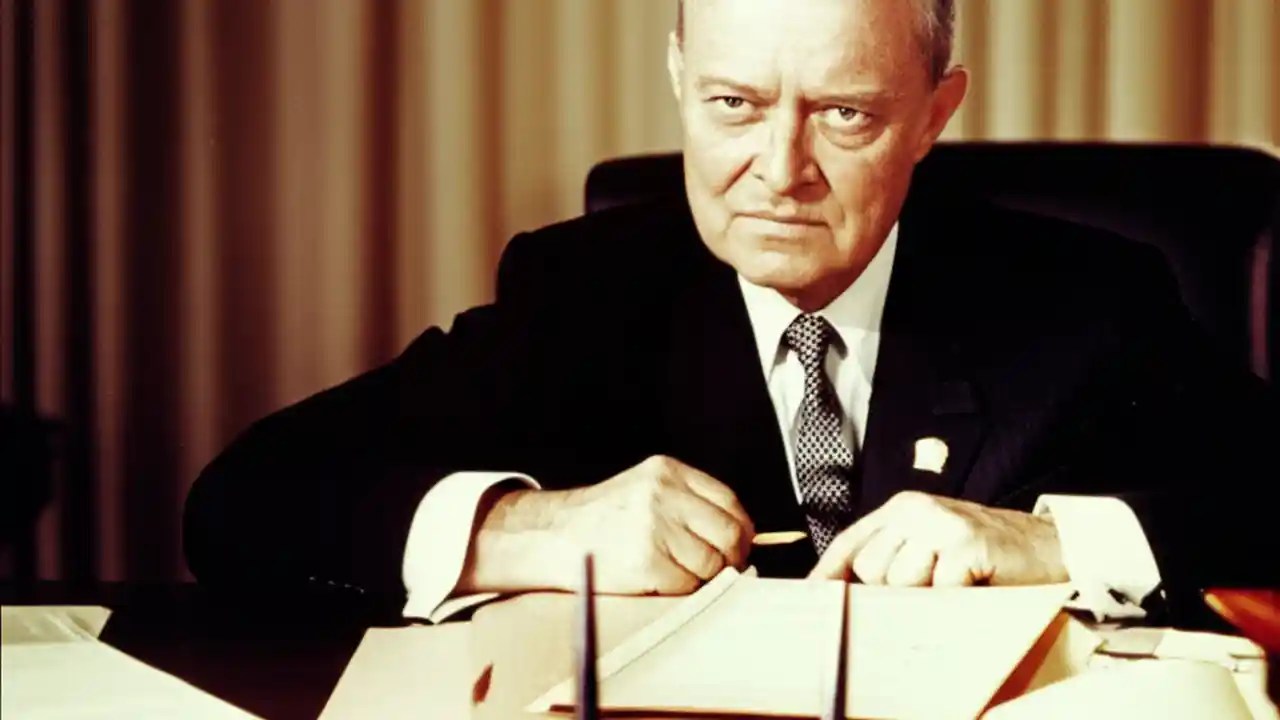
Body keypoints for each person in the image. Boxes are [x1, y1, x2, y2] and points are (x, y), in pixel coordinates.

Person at [183, 0, 1278, 626]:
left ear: (932, 113)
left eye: (843, 114)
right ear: (677, 77)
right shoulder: (578, 293)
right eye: (733, 107)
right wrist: (530, 528)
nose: (778, 171)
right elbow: (242, 501)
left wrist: (1048, 541)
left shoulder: (1084, 294)